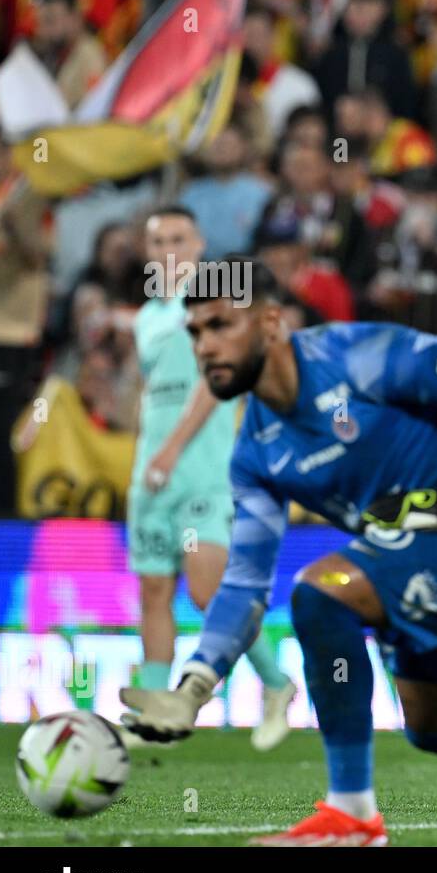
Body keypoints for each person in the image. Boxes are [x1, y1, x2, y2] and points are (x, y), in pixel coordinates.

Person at [119, 260, 437, 846]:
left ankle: (352, 814)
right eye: (195, 333)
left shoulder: (359, 353)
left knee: (319, 593)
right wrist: (194, 687)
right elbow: (245, 585)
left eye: (221, 325)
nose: (206, 346)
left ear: (272, 323)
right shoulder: (255, 453)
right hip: (419, 553)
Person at [126, 207, 296, 752]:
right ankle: (153, 717)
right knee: (154, 590)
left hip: (202, 470)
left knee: (207, 591)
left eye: (178, 239)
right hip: (151, 473)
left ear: (199, 244)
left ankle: (277, 684)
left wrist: (173, 450)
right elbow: (156, 391)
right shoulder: (146, 317)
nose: (168, 251)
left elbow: (214, 384)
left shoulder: (217, 307)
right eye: (158, 242)